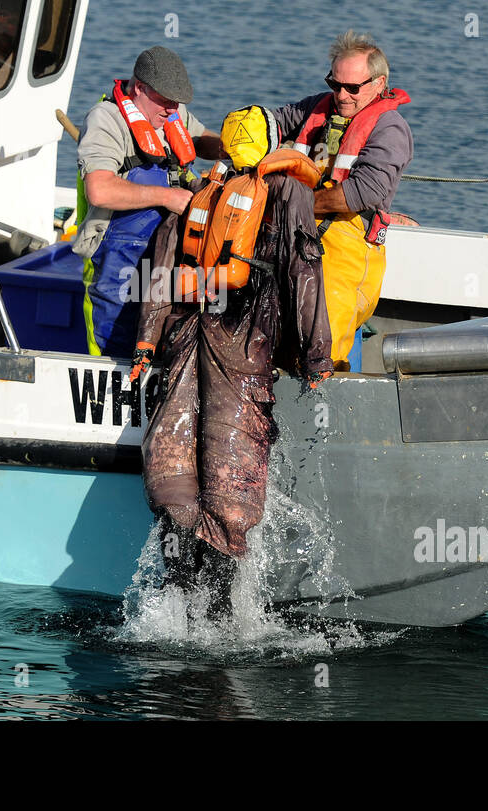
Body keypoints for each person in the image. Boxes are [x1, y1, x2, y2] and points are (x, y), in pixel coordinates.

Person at [132, 107, 334, 618]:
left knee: (175, 480)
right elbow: (304, 271)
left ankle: (185, 612)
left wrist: (145, 346)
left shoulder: (202, 195)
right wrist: (317, 356)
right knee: (221, 489)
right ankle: (221, 618)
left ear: (223, 147)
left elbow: (158, 277)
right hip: (241, 356)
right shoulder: (288, 192)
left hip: (188, 347)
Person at [71, 46, 223, 357]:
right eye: (166, 102)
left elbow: (201, 138)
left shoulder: (170, 112)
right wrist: (168, 197)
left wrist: (233, 145)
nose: (173, 110)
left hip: (163, 263)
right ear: (139, 88)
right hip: (115, 268)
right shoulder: (105, 120)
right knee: (116, 355)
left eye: (177, 104)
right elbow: (100, 190)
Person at [275, 30, 413, 369]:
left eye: (353, 88)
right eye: (335, 84)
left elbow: (363, 191)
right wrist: (245, 127)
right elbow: (275, 122)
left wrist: (295, 202)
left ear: (379, 84)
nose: (341, 95)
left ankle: (327, 402)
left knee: (325, 345)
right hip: (299, 238)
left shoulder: (389, 129)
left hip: (348, 251)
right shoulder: (315, 109)